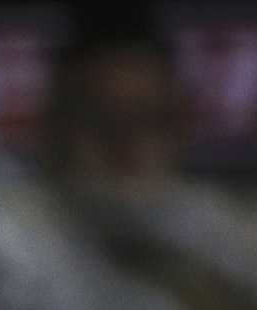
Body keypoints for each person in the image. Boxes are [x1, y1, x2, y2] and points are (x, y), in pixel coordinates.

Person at [42, 21, 189, 192]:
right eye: (104, 121)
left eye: (147, 120)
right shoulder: (13, 215)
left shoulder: (216, 215)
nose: (125, 145)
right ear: (58, 128)